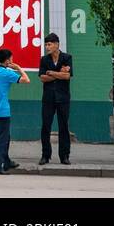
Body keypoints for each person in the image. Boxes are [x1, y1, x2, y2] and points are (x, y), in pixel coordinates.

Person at [0, 48, 29, 175]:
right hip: (3, 110)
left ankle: (6, 161)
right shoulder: (7, 73)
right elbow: (26, 80)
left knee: (4, 137)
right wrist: (18, 68)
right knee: (2, 140)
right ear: (7, 60)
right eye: (11, 59)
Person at [38, 32, 73, 165]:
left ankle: (64, 156)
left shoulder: (67, 58)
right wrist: (59, 73)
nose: (47, 47)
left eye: (50, 44)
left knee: (63, 126)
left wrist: (52, 73)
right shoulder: (44, 60)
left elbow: (67, 76)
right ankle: (45, 155)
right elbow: (42, 78)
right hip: (48, 98)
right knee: (45, 126)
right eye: (46, 44)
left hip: (63, 98)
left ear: (57, 44)